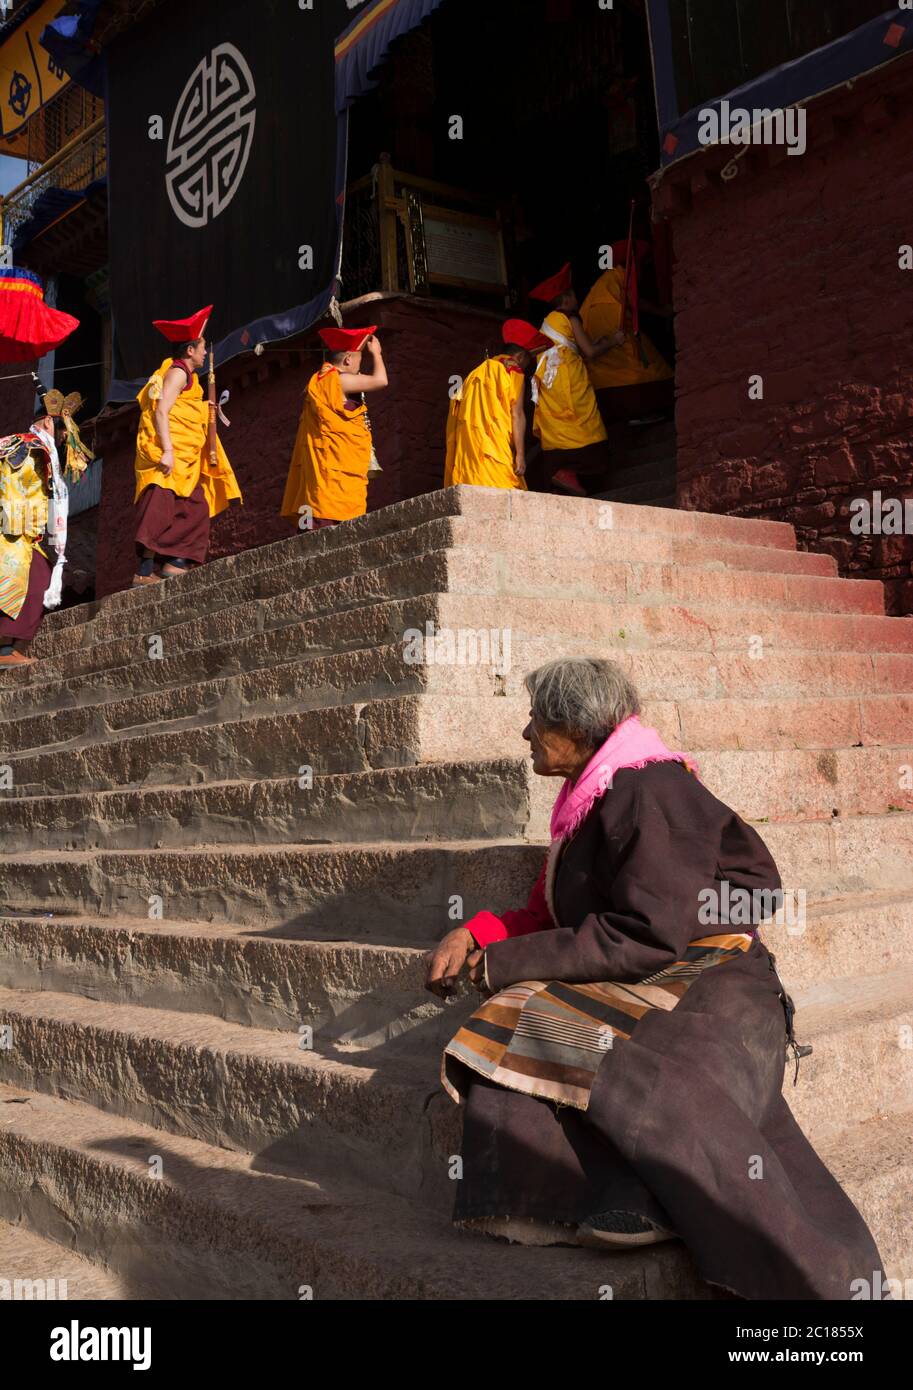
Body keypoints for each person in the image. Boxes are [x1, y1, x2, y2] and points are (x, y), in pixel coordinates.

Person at [426, 657, 889, 1300]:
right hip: (650, 957)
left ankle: (823, 1280)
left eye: (537, 720)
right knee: (516, 1019)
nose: (526, 733)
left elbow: (649, 934)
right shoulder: (589, 796)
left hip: (715, 972)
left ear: (578, 727)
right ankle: (619, 1198)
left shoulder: (649, 792)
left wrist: (504, 965)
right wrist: (480, 933)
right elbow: (550, 912)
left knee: (663, 1080)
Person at [133, 305, 242, 587]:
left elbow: (183, 406)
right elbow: (161, 411)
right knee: (161, 508)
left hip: (187, 459)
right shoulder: (178, 372)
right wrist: (168, 450)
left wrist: (201, 407)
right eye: (202, 347)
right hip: (171, 454)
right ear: (190, 350)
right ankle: (145, 570)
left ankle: (175, 563)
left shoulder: (188, 377)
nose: (206, 353)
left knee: (195, 508)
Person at [0, 390, 90, 666]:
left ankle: (11, 648)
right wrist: (13, 522)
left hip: (32, 536)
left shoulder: (45, 456)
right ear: (50, 424)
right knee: (18, 580)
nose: (65, 439)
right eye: (64, 432)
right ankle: (4, 650)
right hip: (12, 530)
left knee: (41, 579)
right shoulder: (21, 445)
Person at [280, 326, 388, 531]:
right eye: (359, 358)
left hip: (325, 475)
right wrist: (377, 354)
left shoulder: (321, 380)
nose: (359, 364)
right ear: (348, 359)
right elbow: (381, 380)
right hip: (336, 478)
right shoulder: (340, 380)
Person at [529, 263, 619, 496]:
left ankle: (560, 471)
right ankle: (571, 471)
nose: (577, 298)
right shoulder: (570, 318)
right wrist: (613, 341)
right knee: (584, 423)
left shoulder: (546, 323)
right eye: (574, 294)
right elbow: (589, 351)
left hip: (549, 384)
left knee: (558, 426)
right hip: (570, 379)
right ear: (567, 299)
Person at [443, 320, 548, 491]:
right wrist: (521, 455)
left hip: (470, 448)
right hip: (493, 448)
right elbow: (517, 415)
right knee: (503, 490)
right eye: (529, 359)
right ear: (520, 357)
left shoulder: (473, 375)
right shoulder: (513, 371)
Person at [581, 239, 674, 426]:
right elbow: (634, 300)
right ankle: (643, 410)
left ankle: (630, 413)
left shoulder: (609, 279)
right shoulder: (621, 276)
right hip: (615, 331)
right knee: (648, 367)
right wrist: (662, 311)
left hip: (604, 336)